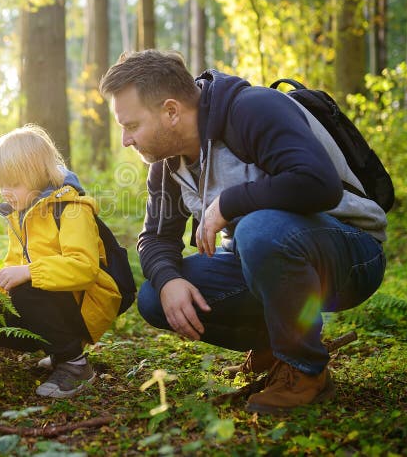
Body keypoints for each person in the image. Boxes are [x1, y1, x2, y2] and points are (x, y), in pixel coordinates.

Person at [99, 50, 387, 414]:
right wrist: (169, 279)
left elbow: (319, 183)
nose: (126, 140)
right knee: (155, 297)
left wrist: (229, 203)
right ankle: (276, 345)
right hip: (266, 257)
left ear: (171, 111)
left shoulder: (253, 110)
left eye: (131, 126)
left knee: (257, 229)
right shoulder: (168, 162)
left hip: (351, 252)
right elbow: (155, 238)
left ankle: (304, 370)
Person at [0, 124, 122, 398]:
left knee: (26, 290)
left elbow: (83, 269)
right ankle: (60, 351)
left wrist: (28, 272)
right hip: (58, 297)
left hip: (88, 300)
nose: (5, 192)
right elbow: (14, 263)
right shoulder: (20, 214)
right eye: (1, 185)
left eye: (13, 184)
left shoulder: (72, 210)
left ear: (37, 176)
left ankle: (75, 365)